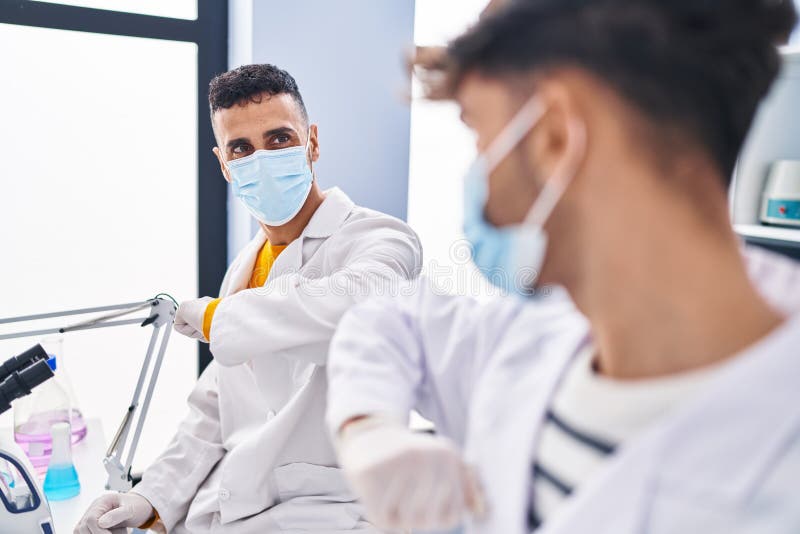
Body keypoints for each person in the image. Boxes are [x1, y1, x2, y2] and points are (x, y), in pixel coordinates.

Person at [325, 1, 800, 534]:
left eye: (479, 134)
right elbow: (389, 321)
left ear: (555, 137)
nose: (479, 185)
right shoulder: (544, 335)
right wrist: (368, 426)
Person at [75, 64, 422, 533]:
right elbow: (212, 413)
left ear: (311, 142)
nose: (261, 158)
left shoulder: (381, 239)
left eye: (279, 138)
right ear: (224, 164)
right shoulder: (244, 269)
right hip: (240, 508)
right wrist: (149, 501)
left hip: (336, 512)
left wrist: (217, 316)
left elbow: (350, 309)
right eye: (242, 148)